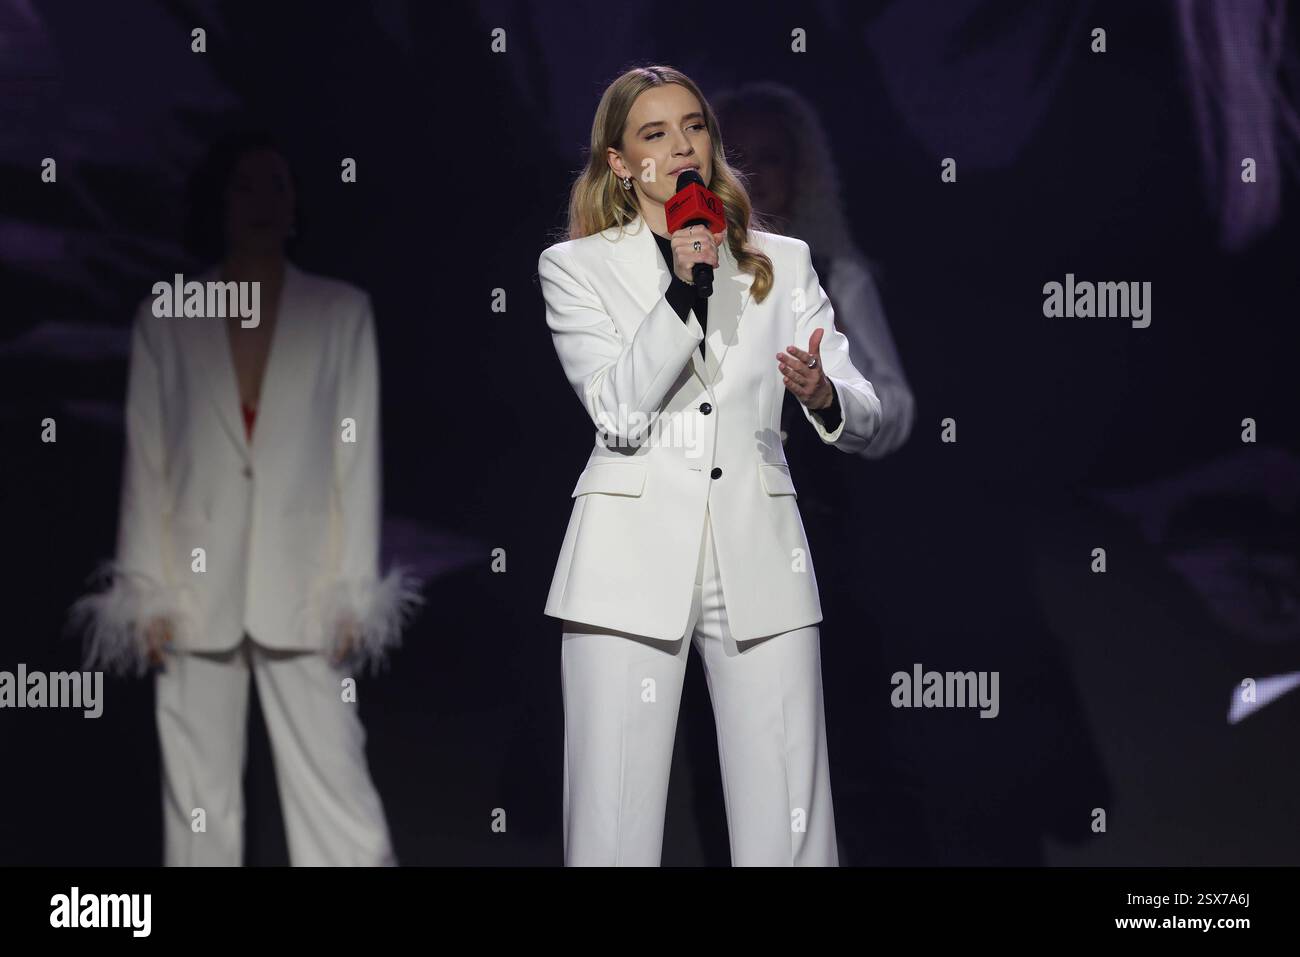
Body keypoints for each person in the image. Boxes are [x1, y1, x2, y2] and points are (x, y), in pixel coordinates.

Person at [538, 65, 882, 866]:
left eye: (693, 125)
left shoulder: (783, 261)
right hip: (626, 556)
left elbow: (862, 413)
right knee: (612, 822)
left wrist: (827, 393)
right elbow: (618, 414)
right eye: (654, 133)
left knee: (789, 820)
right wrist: (685, 290)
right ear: (620, 163)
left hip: (759, 549)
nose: (681, 143)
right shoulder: (576, 269)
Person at [69, 131, 422, 866]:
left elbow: (354, 462)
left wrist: (352, 592)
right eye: (245, 187)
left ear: (296, 205)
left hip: (307, 590)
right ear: (220, 202)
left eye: (278, 186)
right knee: (199, 804)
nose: (263, 203)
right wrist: (146, 591)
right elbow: (148, 462)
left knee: (336, 785)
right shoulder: (166, 316)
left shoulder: (340, 312)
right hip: (194, 589)